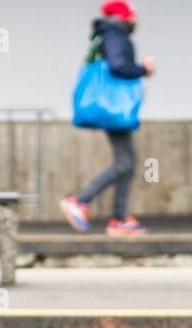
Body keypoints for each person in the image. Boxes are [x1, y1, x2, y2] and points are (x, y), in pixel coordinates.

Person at [60, 0, 154, 237]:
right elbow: (119, 66)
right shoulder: (115, 35)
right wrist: (144, 69)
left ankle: (119, 218)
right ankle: (81, 201)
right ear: (124, 17)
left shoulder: (106, 34)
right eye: (132, 15)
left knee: (127, 163)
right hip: (115, 108)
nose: (135, 19)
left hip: (114, 109)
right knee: (125, 163)